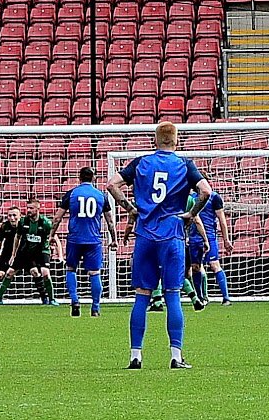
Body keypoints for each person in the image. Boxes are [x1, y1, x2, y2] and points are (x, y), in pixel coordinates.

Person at [110, 120, 213, 370]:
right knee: (173, 295)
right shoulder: (184, 165)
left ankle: (136, 355)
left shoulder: (142, 162)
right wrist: (190, 214)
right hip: (172, 236)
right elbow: (206, 192)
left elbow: (112, 184)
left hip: (145, 236)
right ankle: (176, 356)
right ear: (176, 141)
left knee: (142, 296)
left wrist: (131, 209)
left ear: (155, 141)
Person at [56, 166, 114, 318]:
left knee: (70, 269)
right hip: (93, 240)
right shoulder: (101, 195)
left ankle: (75, 301)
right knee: (94, 272)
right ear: (93, 178)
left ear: (79, 178)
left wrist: (51, 234)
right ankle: (95, 307)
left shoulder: (72, 194)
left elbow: (57, 217)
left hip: (75, 238)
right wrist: (114, 239)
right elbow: (110, 221)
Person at [194, 185, 230, 304]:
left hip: (210, 236)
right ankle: (200, 297)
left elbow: (222, 220)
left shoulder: (214, 198)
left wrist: (226, 239)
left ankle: (226, 297)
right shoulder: (191, 198)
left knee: (214, 265)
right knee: (196, 267)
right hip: (194, 236)